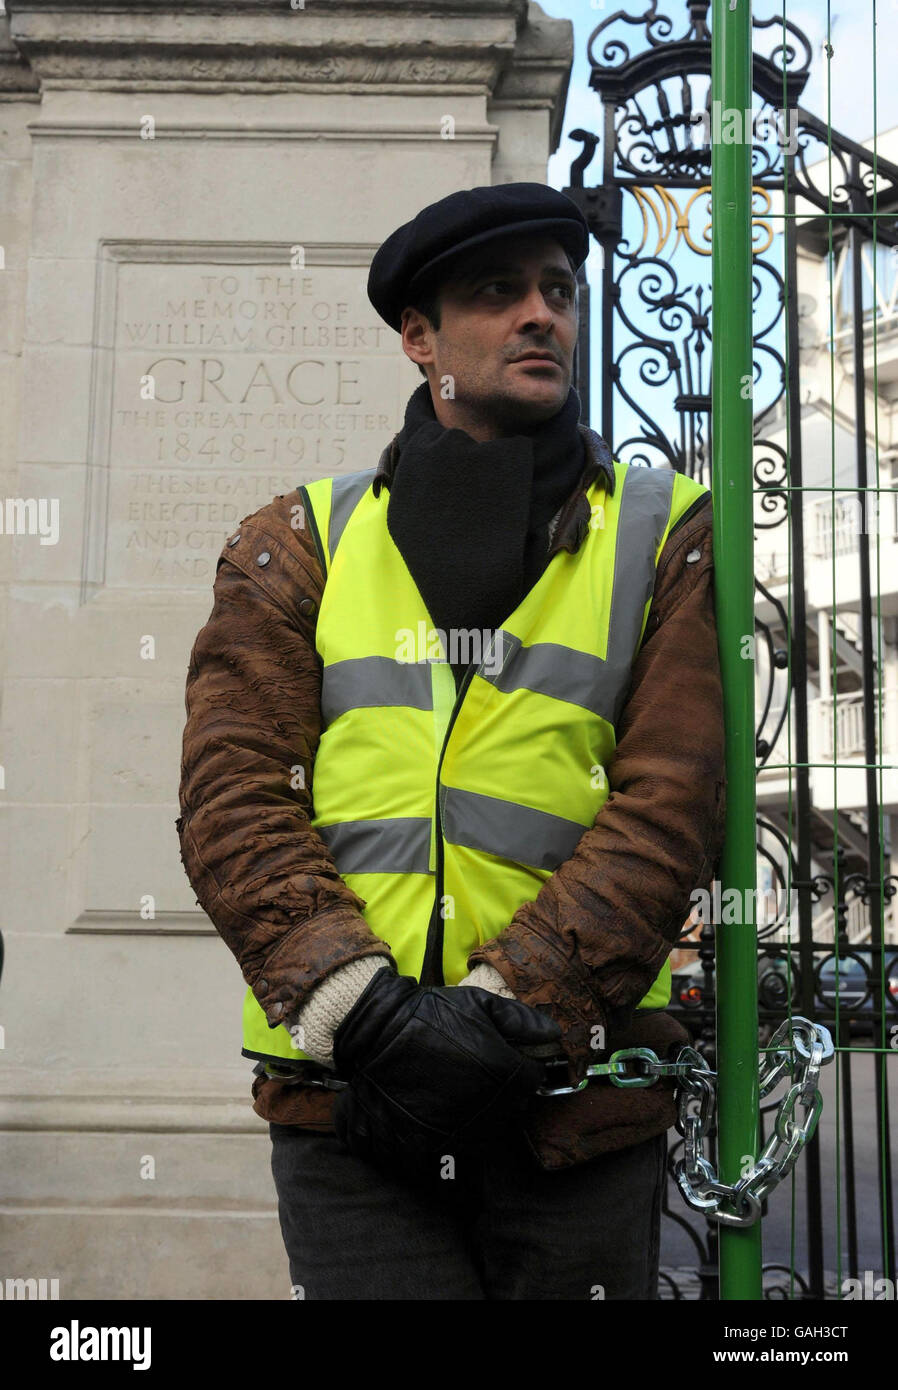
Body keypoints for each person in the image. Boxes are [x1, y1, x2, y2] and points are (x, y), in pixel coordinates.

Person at [177, 182, 726, 1301]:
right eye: (498, 292)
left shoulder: (668, 531)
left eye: (560, 291)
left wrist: (500, 1013)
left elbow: (673, 802)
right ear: (417, 337)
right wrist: (367, 1015)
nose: (543, 315)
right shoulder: (296, 542)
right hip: (351, 1107)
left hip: (572, 1107)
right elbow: (235, 796)